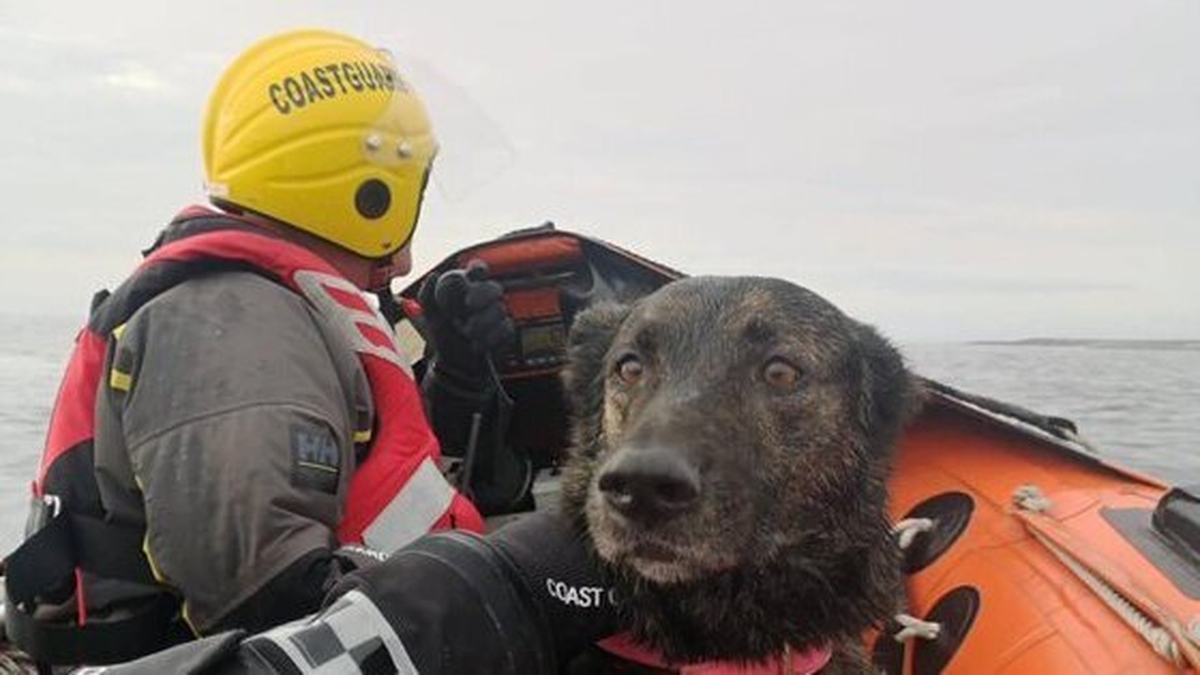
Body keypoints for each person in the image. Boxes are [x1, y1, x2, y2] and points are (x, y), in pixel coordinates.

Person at [1, 28, 523, 667]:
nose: (405, 257)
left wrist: (463, 377)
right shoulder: (229, 327)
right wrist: (512, 607)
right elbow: (267, 597)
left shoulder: (272, 313)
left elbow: (378, 488)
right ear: (365, 198)